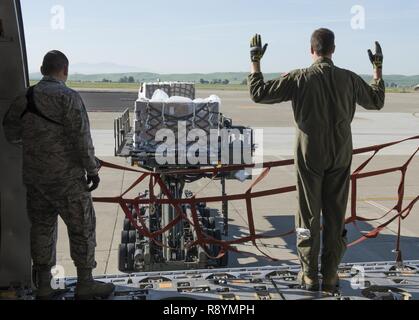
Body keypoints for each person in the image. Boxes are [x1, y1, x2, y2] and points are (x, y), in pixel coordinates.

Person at [248, 29, 385, 293]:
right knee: (335, 215)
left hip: (310, 154)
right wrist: (377, 70)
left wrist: (255, 62)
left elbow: (259, 93)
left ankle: (309, 274)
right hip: (341, 154)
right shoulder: (350, 79)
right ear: (333, 49)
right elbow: (377, 100)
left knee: (307, 215)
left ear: (312, 50)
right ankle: (331, 274)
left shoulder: (300, 77)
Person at [3, 50, 115, 300]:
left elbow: (10, 133)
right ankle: (85, 283)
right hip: (68, 181)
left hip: (36, 180)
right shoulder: (68, 97)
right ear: (64, 70)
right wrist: (92, 169)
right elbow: (81, 139)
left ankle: (44, 285)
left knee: (42, 229)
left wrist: (36, 146)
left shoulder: (25, 96)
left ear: (43, 70)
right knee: (82, 229)